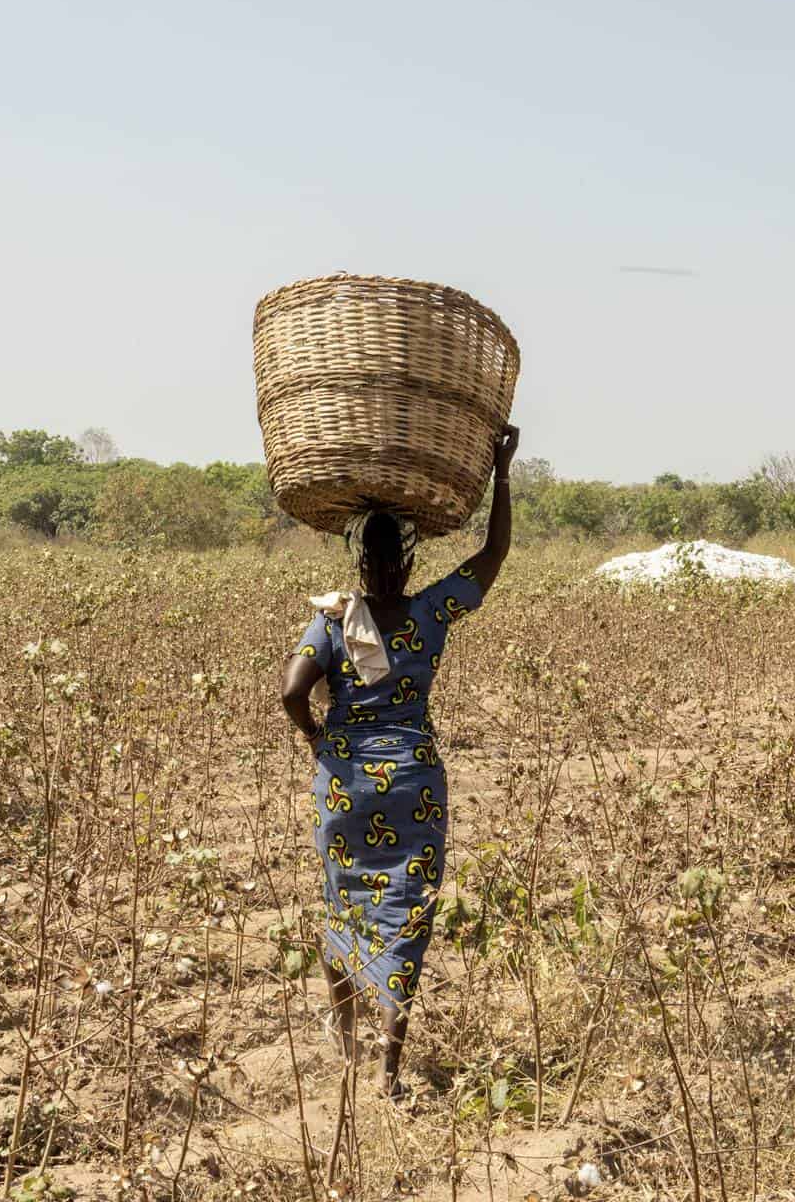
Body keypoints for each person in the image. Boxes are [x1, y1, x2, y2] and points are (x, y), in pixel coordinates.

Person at [280, 424, 518, 1100]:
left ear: (358, 562)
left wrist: (320, 742)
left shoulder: (332, 621)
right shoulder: (431, 611)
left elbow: (292, 693)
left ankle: (346, 1039)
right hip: (414, 783)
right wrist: (502, 470)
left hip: (346, 784)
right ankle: (388, 1074)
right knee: (406, 914)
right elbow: (494, 552)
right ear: (409, 564)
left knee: (344, 905)